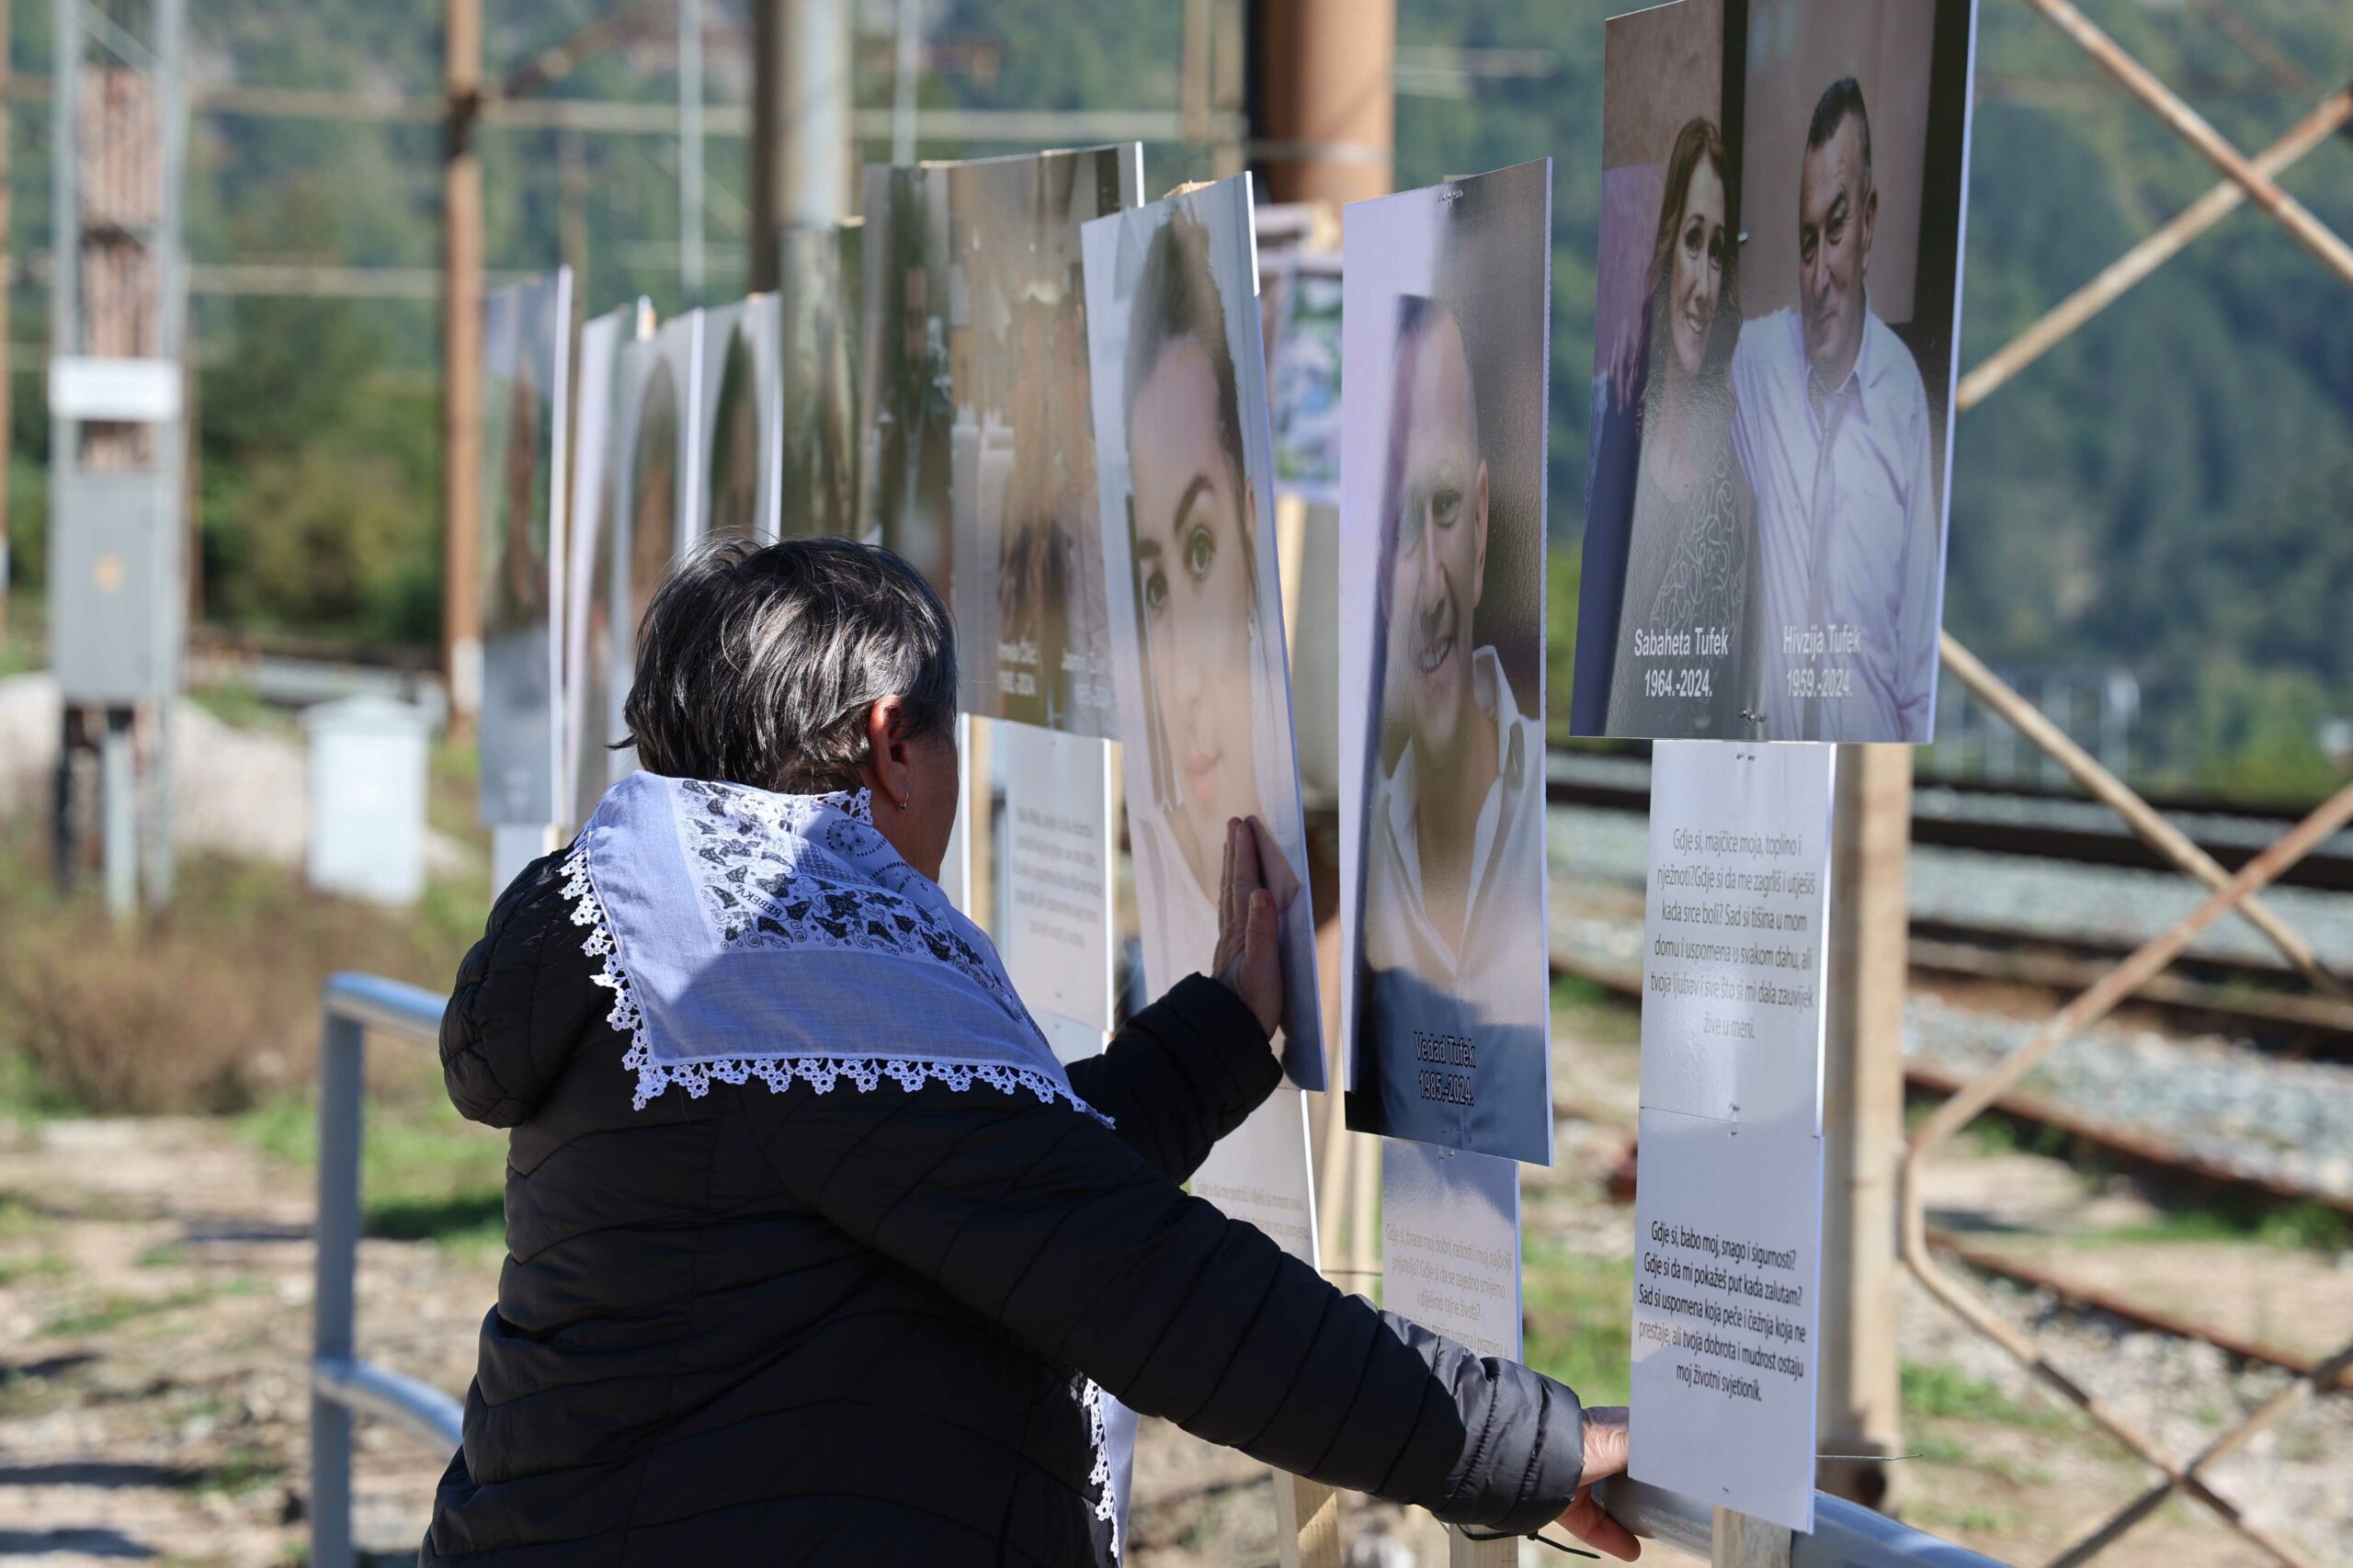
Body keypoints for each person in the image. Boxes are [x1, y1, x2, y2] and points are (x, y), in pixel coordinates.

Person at [421, 537, 1636, 1566]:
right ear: (892, 743)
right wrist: (1519, 1444)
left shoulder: (667, 928)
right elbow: (1142, 1280)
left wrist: (1219, 1031)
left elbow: (987, 1177)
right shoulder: (800, 973)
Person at [1353, 296, 1552, 1164]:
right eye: (1401, 528)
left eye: (1443, 508)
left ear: (1481, 522)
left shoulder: (1542, 804)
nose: (1431, 587)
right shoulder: (1360, 853)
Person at [1119, 208, 1305, 1006]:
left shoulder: (1314, 890)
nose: (1181, 680)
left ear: (1253, 525)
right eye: (1155, 586)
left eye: (1201, 549)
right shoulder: (1163, 869)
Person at [1730, 76, 1940, 742]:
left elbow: (1918, 675)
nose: (1819, 275)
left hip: (1863, 774)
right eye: (1806, 240)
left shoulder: (1903, 399)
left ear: (1870, 223)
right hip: (1768, 776)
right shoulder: (1758, 363)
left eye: (1838, 228)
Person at [1606, 118, 1760, 738]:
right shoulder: (1617, 436)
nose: (1703, 285)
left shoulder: (1735, 482)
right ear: (1668, 247)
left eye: (1718, 253)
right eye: (1694, 242)